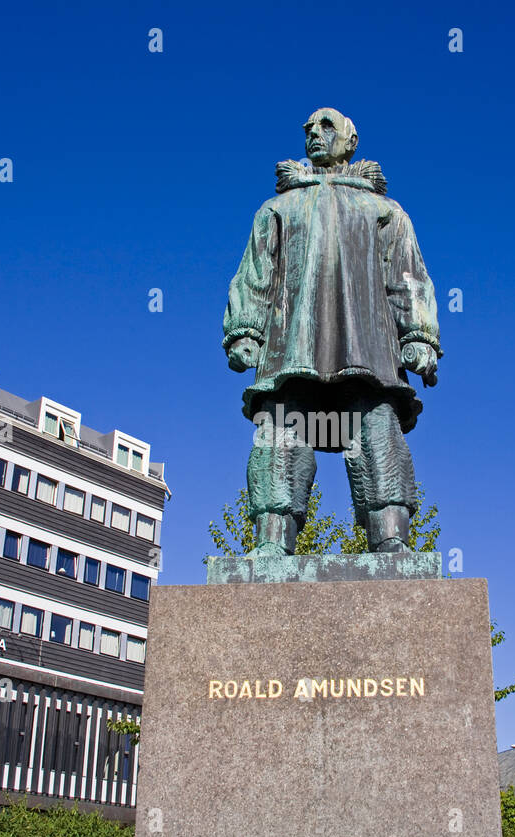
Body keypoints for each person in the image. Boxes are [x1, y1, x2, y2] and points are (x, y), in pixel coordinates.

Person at [223, 107, 442, 555]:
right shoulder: (278, 208)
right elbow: (255, 273)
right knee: (282, 426)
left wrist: (418, 334)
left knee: (375, 424)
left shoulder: (384, 210)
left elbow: (407, 277)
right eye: (309, 128)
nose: (314, 133)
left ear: (351, 141)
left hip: (368, 344)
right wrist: (245, 329)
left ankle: (390, 536)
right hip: (291, 344)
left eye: (326, 127)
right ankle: (272, 537)